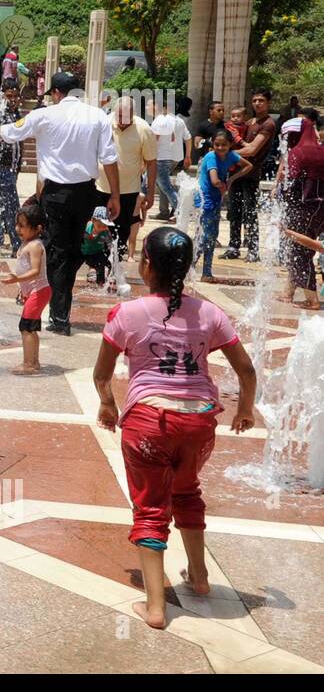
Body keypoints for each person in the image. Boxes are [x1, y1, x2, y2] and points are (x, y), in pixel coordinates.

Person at [92, 227, 256, 630]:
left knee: (150, 507)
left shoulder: (127, 314)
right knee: (186, 491)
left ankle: (154, 607)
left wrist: (108, 403)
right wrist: (245, 410)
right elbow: (247, 370)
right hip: (199, 421)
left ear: (147, 264)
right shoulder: (210, 314)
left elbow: (102, 373)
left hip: (149, 422)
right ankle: (199, 578)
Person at [0, 71, 120, 336]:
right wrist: (115, 195)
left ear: (55, 93)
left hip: (55, 195)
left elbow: (10, 132)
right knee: (73, 250)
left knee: (57, 254)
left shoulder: (44, 114)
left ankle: (58, 315)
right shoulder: (97, 115)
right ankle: (59, 310)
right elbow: (109, 158)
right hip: (85, 194)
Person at [97, 96, 156, 264]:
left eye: (126, 117)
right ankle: (100, 267)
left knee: (122, 231)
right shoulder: (104, 123)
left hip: (128, 190)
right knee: (100, 229)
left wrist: (150, 193)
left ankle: (115, 268)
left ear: (133, 114)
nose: (122, 121)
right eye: (119, 116)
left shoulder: (144, 129)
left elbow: (151, 163)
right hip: (101, 187)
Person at [224, 88, 278, 262]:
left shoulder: (268, 124)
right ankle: (233, 247)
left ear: (268, 103)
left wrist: (227, 152)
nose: (257, 103)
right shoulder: (249, 121)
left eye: (261, 100)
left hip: (252, 173)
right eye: (255, 100)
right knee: (234, 210)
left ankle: (253, 250)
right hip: (237, 172)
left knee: (250, 212)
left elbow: (253, 149)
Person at [280, 108, 324, 309]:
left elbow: (292, 184)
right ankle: (288, 292)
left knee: (299, 249)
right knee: (300, 248)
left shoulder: (298, 152)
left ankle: (312, 299)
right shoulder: (320, 149)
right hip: (319, 206)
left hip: (306, 205)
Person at [1, 203, 51, 375]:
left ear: (37, 228)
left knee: (26, 327)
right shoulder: (27, 243)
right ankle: (34, 362)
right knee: (31, 327)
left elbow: (35, 271)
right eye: (17, 224)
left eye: (22, 226)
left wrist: (16, 279)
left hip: (40, 290)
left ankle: (29, 364)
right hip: (35, 292)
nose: (17, 229)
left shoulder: (35, 246)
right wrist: (22, 288)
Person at [196, 129, 252, 282]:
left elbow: (248, 166)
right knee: (206, 236)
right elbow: (214, 180)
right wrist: (224, 186)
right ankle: (193, 268)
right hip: (204, 200)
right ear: (212, 144)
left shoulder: (231, 155)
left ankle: (203, 271)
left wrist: (232, 179)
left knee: (210, 236)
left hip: (214, 200)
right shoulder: (211, 157)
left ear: (230, 145)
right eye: (217, 145)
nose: (220, 148)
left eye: (224, 145)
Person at [0, 79, 24, 256]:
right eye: (9, 96)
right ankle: (17, 245)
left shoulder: (17, 115)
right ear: (2, 96)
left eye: (16, 96)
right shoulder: (0, 115)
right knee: (12, 208)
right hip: (1, 169)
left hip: (11, 169)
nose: (13, 100)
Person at [148, 98, 190, 220]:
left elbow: (154, 140)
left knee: (164, 185)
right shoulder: (179, 121)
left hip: (162, 157)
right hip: (176, 157)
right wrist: (187, 156)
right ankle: (164, 211)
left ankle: (180, 212)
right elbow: (188, 138)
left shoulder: (159, 120)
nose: (148, 108)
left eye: (151, 105)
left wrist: (147, 156)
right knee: (162, 183)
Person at [81, 206, 115, 287]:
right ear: (93, 220)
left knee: (102, 264)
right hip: (83, 251)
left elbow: (111, 244)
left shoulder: (106, 231)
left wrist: (112, 250)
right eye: (100, 226)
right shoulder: (87, 226)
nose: (102, 228)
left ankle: (101, 283)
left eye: (105, 225)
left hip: (97, 252)